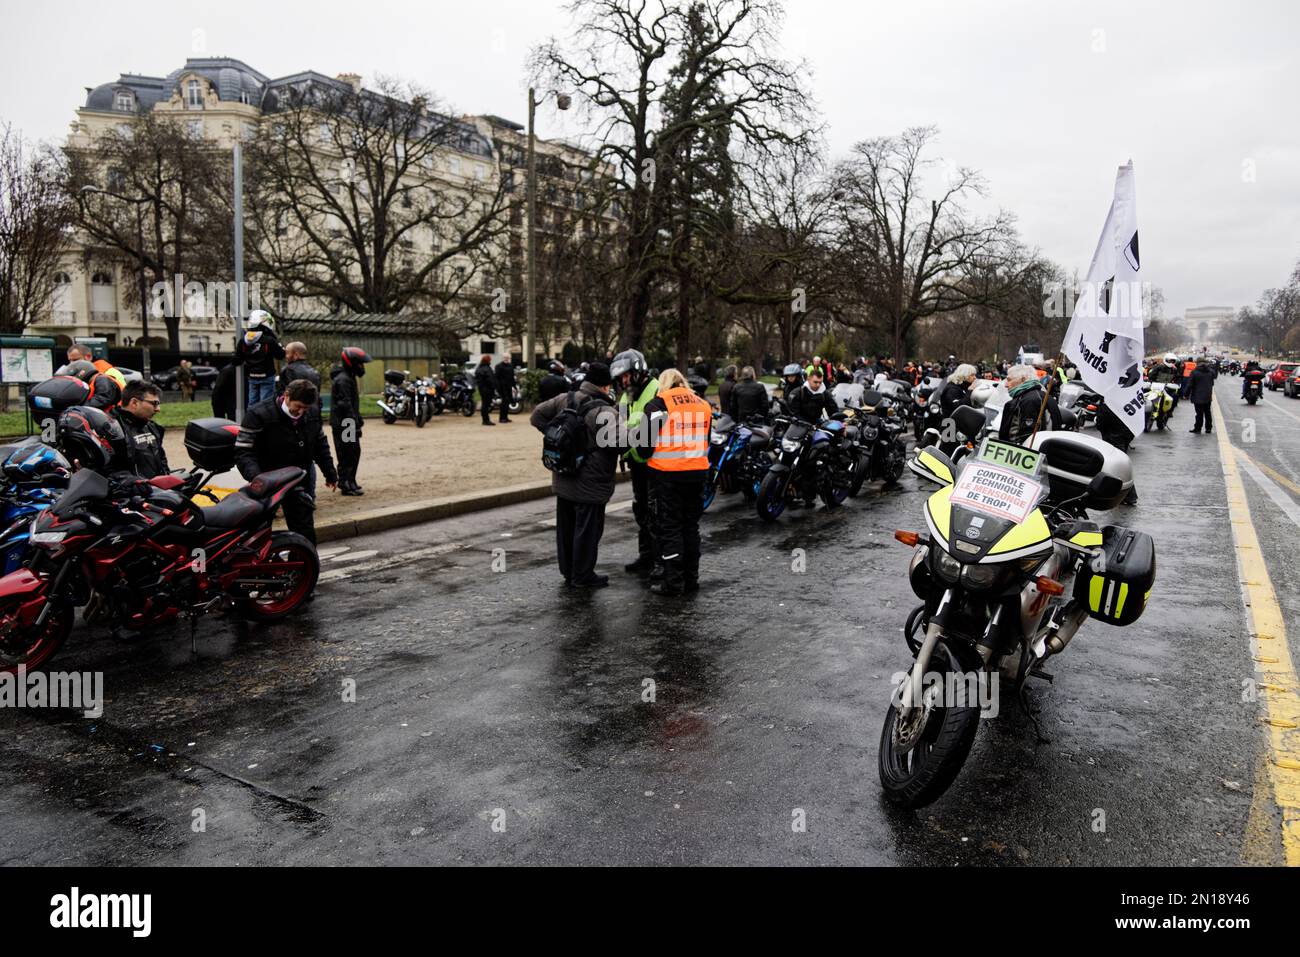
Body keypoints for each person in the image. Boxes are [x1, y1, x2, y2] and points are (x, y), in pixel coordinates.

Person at [530, 362, 620, 588]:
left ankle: (568, 571)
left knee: (566, 528)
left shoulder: (565, 399)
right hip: (590, 480)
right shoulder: (605, 411)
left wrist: (559, 435)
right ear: (606, 386)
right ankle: (582, 575)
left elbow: (536, 416)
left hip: (564, 474)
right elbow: (619, 443)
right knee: (587, 530)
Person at [633, 368, 711, 596]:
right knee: (690, 527)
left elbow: (645, 448)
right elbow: (704, 441)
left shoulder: (658, 405)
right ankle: (691, 578)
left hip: (667, 476)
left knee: (670, 528)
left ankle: (673, 582)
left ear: (663, 384)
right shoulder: (702, 405)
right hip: (697, 473)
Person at [235, 378, 338, 544]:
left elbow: (320, 445)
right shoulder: (257, 414)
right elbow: (243, 452)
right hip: (267, 482)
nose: (301, 412)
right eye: (298, 407)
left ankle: (304, 565)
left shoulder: (311, 413)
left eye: (306, 408)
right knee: (258, 531)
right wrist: (257, 478)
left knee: (304, 529)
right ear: (286, 395)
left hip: (297, 480)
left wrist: (330, 473)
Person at [611, 348, 659, 577]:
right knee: (641, 509)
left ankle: (659, 560)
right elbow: (619, 422)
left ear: (638, 372)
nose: (624, 381)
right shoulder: (626, 395)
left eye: (627, 376)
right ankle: (646, 556)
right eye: (621, 378)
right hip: (636, 461)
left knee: (656, 511)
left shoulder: (656, 389)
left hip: (655, 462)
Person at [110, 381, 170, 478]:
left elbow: (162, 460)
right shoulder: (113, 430)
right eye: (154, 403)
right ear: (134, 403)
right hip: (135, 491)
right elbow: (111, 471)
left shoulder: (153, 427)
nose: (158, 409)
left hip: (160, 491)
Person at [330, 347, 369, 495]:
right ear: (351, 363)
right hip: (345, 423)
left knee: (353, 451)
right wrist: (354, 423)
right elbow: (345, 405)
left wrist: (357, 419)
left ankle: (351, 481)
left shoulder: (348, 377)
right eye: (360, 364)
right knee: (347, 453)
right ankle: (345, 483)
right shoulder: (343, 379)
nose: (362, 367)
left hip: (348, 422)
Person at [233, 309, 286, 407]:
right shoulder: (269, 340)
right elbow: (281, 355)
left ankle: (251, 421)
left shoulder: (244, 340)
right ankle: (264, 422)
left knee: (252, 404)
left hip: (252, 376)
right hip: (267, 376)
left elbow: (236, 361)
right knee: (265, 404)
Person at [998, 363, 1061, 444]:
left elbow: (1027, 438)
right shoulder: (1038, 396)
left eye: (1009, 380)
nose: (1006, 385)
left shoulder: (1030, 401)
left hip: (1019, 453)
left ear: (1023, 379)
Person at [1188, 358, 1216, 434]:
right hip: (1207, 395)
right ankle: (1208, 428)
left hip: (1197, 395)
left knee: (1199, 413)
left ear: (1197, 363)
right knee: (1207, 412)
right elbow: (1213, 382)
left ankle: (1198, 428)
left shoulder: (1194, 372)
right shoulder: (1210, 372)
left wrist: (1186, 394)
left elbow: (1190, 384)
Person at [474, 354, 497, 426]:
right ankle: (486, 420)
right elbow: (490, 380)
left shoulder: (479, 368)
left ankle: (485, 419)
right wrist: (494, 387)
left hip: (481, 388)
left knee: (484, 404)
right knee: (486, 405)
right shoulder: (487, 369)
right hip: (487, 389)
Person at [494, 356, 516, 423]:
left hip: (508, 386)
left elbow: (512, 377)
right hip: (502, 387)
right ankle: (502, 418)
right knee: (504, 402)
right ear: (503, 358)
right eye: (505, 357)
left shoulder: (510, 366)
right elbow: (496, 377)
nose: (506, 359)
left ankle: (505, 417)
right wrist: (498, 387)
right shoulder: (498, 366)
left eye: (507, 358)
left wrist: (514, 386)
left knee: (507, 402)